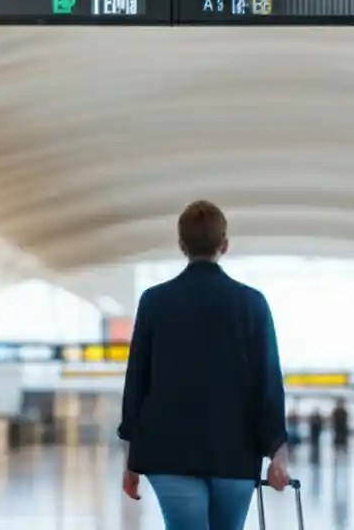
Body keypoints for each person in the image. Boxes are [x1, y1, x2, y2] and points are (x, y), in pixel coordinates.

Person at [119, 200, 291, 530]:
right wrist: (277, 453)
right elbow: (268, 383)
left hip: (170, 454)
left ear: (182, 244)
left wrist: (131, 460)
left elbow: (137, 383)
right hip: (235, 455)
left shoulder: (155, 302)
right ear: (224, 245)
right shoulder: (252, 304)